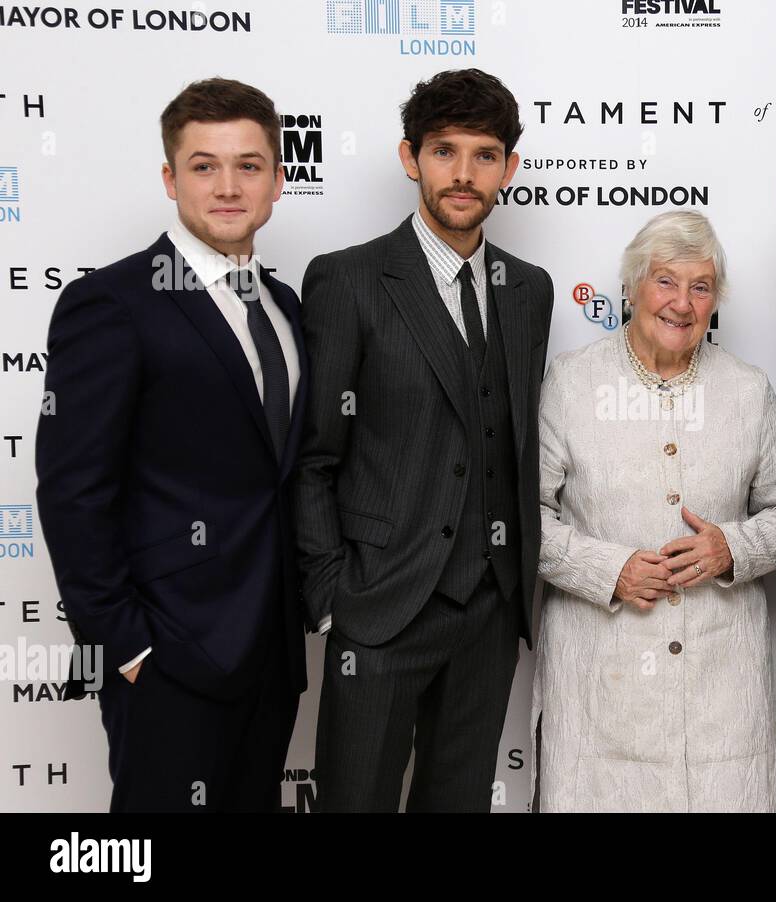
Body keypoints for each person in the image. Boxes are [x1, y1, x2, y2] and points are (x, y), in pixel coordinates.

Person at [35, 78, 308, 811]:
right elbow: (71, 493)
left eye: (249, 165)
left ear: (279, 180)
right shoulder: (113, 304)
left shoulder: (285, 307)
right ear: (170, 177)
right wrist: (128, 648)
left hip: (272, 657)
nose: (228, 186)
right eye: (203, 165)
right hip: (169, 659)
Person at [294, 68, 554, 812]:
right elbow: (315, 456)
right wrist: (332, 597)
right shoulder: (349, 280)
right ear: (411, 159)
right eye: (445, 151)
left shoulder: (528, 287)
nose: (464, 174)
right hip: (379, 606)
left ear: (508, 166)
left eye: (484, 154)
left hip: (489, 609)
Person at [530, 211, 776, 812]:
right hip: (600, 690)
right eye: (665, 281)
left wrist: (732, 547)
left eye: (701, 286)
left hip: (720, 693)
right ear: (631, 287)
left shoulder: (747, 389)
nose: (682, 303)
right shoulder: (572, 384)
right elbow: (525, 516)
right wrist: (610, 568)